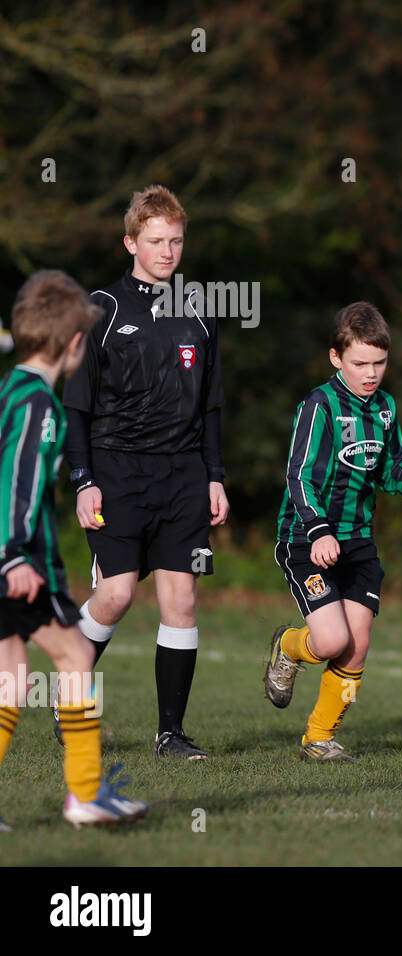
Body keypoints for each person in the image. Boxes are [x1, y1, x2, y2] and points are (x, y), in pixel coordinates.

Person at [61, 185, 228, 759]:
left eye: (176, 241)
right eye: (155, 241)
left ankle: (171, 734)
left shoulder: (201, 310)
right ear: (131, 242)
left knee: (180, 599)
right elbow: (76, 405)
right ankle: (70, 691)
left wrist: (214, 475)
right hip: (116, 471)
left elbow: (210, 404)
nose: (167, 252)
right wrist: (84, 479)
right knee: (115, 596)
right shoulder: (101, 310)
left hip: (183, 474)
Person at [0, 270, 147, 827]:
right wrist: (14, 556)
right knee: (77, 656)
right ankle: (85, 794)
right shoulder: (39, 405)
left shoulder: (9, 390)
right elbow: (17, 480)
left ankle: (86, 794)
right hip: (18, 563)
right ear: (76, 344)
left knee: (11, 680)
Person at [264, 302, 402, 761]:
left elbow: (388, 467)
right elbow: (299, 476)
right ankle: (287, 645)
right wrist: (319, 530)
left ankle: (318, 739)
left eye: (379, 363)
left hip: (358, 540)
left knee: (357, 645)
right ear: (335, 358)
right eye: (360, 363)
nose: (371, 373)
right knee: (330, 643)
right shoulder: (318, 405)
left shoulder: (385, 408)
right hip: (308, 537)